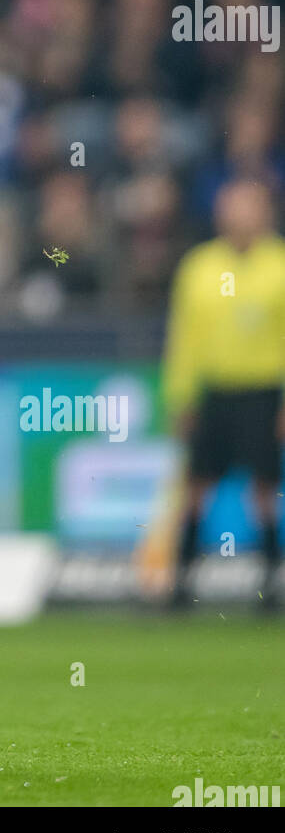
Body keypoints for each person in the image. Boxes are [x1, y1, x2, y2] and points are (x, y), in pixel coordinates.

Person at [163, 179, 285, 609]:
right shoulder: (199, 266)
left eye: (247, 206)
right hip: (214, 393)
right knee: (195, 486)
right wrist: (182, 397)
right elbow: (184, 338)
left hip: (263, 391)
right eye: (230, 207)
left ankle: (271, 582)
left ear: (264, 211)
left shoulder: (279, 265)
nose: (237, 216)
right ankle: (181, 582)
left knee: (264, 491)